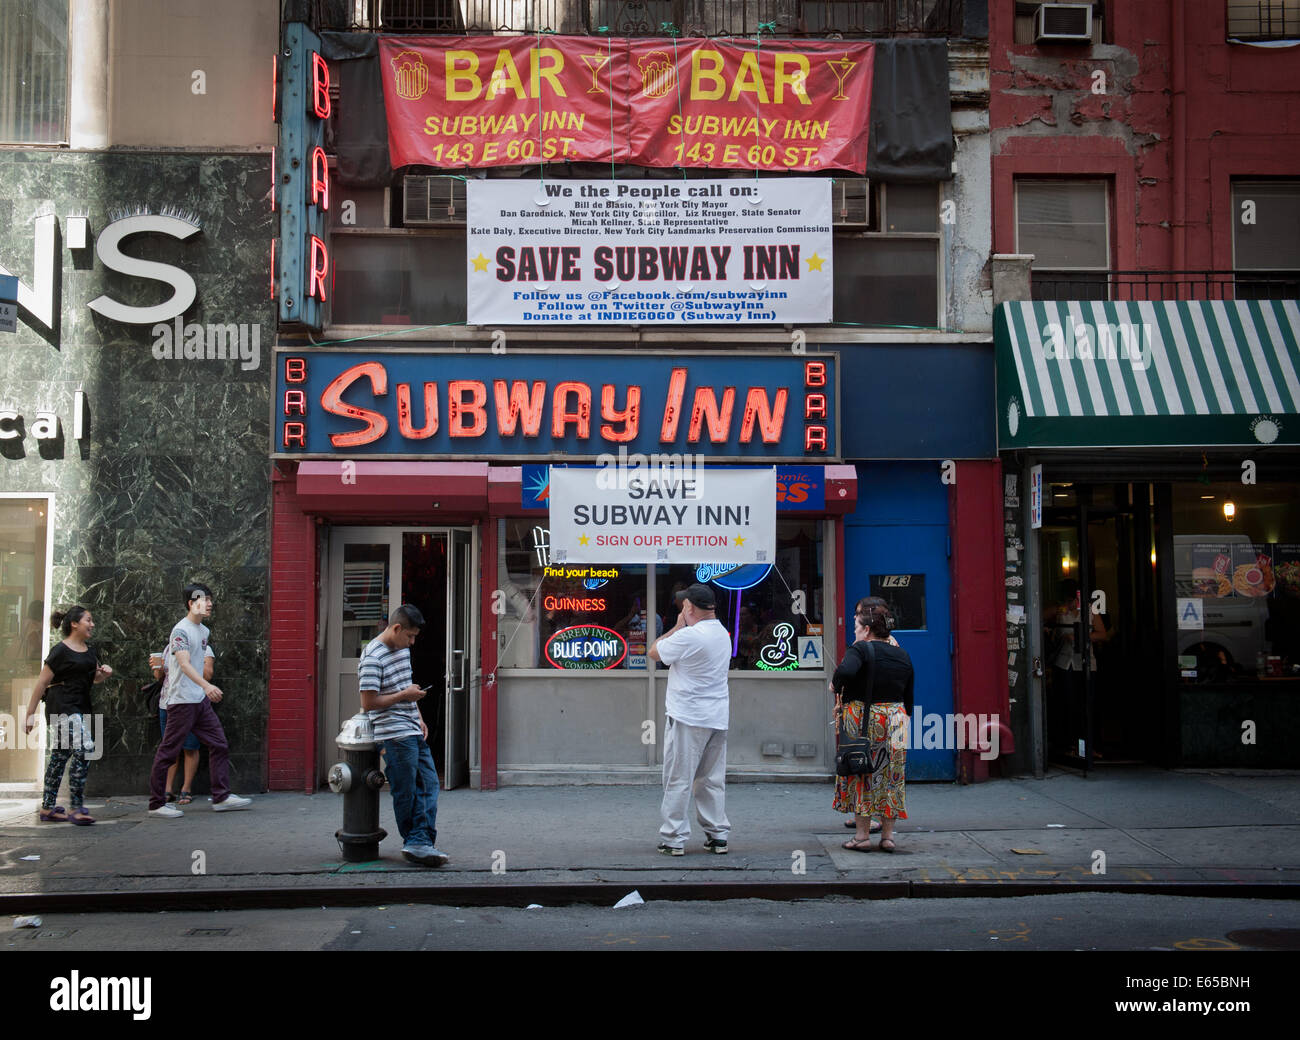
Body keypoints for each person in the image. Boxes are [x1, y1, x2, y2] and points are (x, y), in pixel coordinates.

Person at [146, 583, 251, 817]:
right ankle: (156, 804)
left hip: (198, 701)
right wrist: (206, 685)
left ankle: (221, 797)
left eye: (211, 600)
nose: (210, 604)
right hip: (181, 701)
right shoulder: (180, 631)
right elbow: (183, 664)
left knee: (219, 743)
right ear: (192, 604)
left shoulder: (203, 631)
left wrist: (202, 690)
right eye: (205, 600)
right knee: (169, 751)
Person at [359, 604, 448, 867]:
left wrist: (418, 715)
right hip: (393, 733)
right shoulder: (373, 657)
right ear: (396, 628)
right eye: (409, 636)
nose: (411, 642)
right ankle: (416, 841)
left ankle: (420, 841)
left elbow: (404, 685)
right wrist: (404, 697)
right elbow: (369, 702)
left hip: (409, 727)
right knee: (407, 789)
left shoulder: (401, 650)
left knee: (428, 783)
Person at [648, 583, 732, 855]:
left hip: (688, 715)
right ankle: (718, 834)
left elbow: (654, 652)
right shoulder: (722, 633)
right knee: (710, 778)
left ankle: (674, 838)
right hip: (717, 716)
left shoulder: (690, 636)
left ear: (689, 607)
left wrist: (677, 626)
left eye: (684, 606)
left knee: (678, 778)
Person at [832, 597, 914, 852]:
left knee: (862, 773)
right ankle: (888, 837)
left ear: (867, 629)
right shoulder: (902, 653)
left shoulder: (860, 649)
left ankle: (861, 836)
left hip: (867, 719)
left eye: (856, 626)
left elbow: (843, 674)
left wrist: (836, 685)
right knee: (892, 777)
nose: (854, 631)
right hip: (897, 718)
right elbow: (909, 693)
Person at [24, 606, 112, 824]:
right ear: (74, 624)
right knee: (85, 747)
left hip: (79, 706)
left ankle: (47, 808)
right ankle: (76, 807)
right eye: (88, 620)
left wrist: (104, 674)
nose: (92, 624)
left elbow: (93, 679)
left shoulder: (90, 651)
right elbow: (42, 683)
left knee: (60, 756)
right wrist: (29, 714)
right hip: (61, 705)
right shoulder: (60, 650)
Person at [151, 641, 214, 804]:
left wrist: (187, 663)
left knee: (190, 747)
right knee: (170, 747)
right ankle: (167, 789)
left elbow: (208, 675)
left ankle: (186, 789)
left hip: (190, 704)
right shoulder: (168, 648)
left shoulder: (205, 649)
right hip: (167, 704)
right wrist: (157, 668)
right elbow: (160, 677)